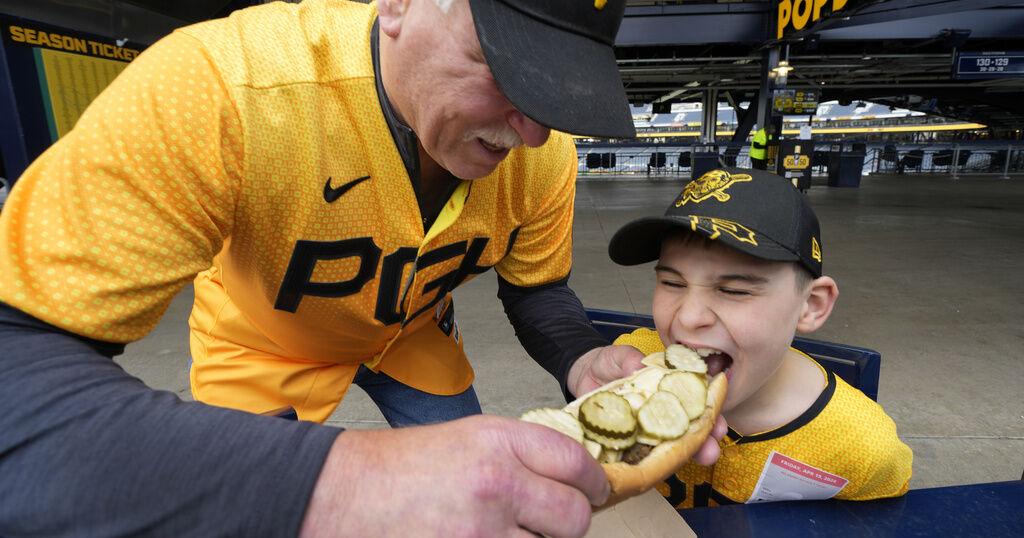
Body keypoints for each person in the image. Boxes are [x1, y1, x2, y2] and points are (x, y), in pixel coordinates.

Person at [0, 0, 725, 536]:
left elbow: (538, 289)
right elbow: (17, 369)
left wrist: (580, 358)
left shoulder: (545, 158)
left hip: (408, 336)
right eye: (508, 68)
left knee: (478, 497)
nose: (532, 132)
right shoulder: (222, 88)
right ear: (400, 4)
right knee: (240, 509)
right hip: (264, 342)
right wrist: (341, 486)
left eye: (556, 91)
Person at [606, 167, 913, 508]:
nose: (688, 318)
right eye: (672, 283)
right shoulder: (630, 366)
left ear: (811, 305)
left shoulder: (865, 451)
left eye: (734, 290)